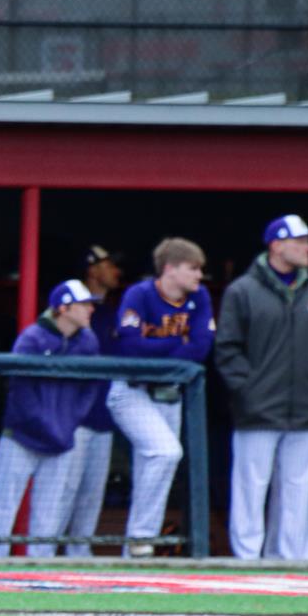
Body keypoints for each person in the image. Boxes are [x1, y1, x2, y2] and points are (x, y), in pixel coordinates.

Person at [214, 214, 308, 560]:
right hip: (257, 411)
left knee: (298, 490)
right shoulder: (242, 291)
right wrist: (247, 391)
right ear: (277, 244)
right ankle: (247, 560)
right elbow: (227, 348)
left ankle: (293, 562)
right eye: (301, 241)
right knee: (251, 489)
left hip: (307, 410)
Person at [103, 238, 213, 557]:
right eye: (192, 268)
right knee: (166, 453)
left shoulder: (200, 297)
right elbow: (130, 347)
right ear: (170, 269)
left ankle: (134, 555)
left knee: (152, 467)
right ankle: (140, 538)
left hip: (169, 395)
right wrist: (180, 343)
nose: (199, 275)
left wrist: (170, 351)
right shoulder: (140, 294)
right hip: (131, 392)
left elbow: (202, 348)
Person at [0, 280, 101, 558]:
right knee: (5, 505)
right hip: (22, 438)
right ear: (63, 308)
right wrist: (49, 427)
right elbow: (21, 394)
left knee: (49, 513)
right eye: (84, 305)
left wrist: (70, 424)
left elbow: (90, 389)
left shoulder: (88, 341)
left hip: (61, 442)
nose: (90, 309)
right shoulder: (32, 338)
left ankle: (40, 571)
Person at [58, 244, 126, 556]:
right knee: (64, 490)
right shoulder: (69, 312)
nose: (116, 271)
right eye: (109, 264)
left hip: (104, 416)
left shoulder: (115, 312)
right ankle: (44, 553)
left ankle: (79, 554)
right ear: (91, 268)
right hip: (75, 419)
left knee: (91, 493)